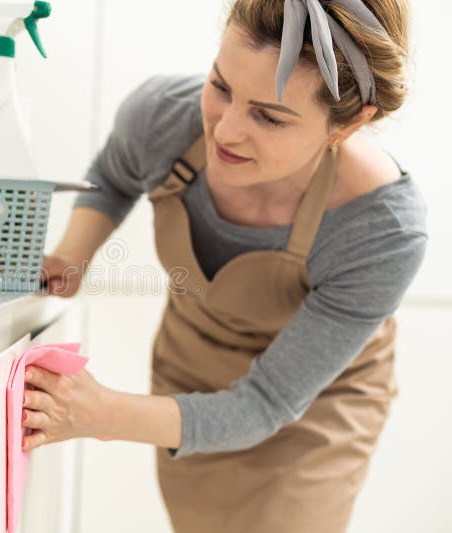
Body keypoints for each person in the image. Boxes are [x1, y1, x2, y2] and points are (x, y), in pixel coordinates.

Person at [21, 1, 427, 531]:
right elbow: (117, 172)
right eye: (220, 86)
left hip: (314, 406)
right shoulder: (164, 118)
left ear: (347, 124)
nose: (225, 131)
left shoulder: (379, 231)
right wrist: (72, 257)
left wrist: (99, 413)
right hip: (191, 364)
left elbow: (265, 404)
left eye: (269, 116)